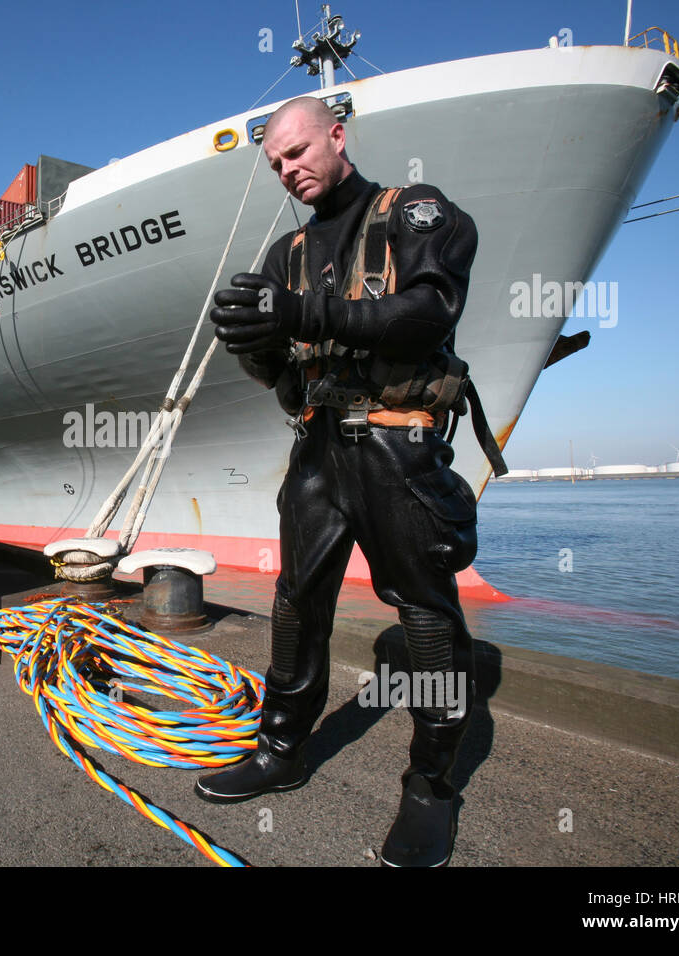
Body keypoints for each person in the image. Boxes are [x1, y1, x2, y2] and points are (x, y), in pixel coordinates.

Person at [198, 95, 503, 867]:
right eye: (274, 164)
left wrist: (301, 311)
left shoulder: (417, 211)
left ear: (338, 136)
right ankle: (281, 748)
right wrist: (252, 337)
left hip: (398, 449)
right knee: (298, 605)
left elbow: (430, 311)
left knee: (427, 619)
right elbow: (278, 370)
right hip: (317, 451)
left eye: (297, 152)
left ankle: (430, 786)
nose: (287, 170)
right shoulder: (283, 255)